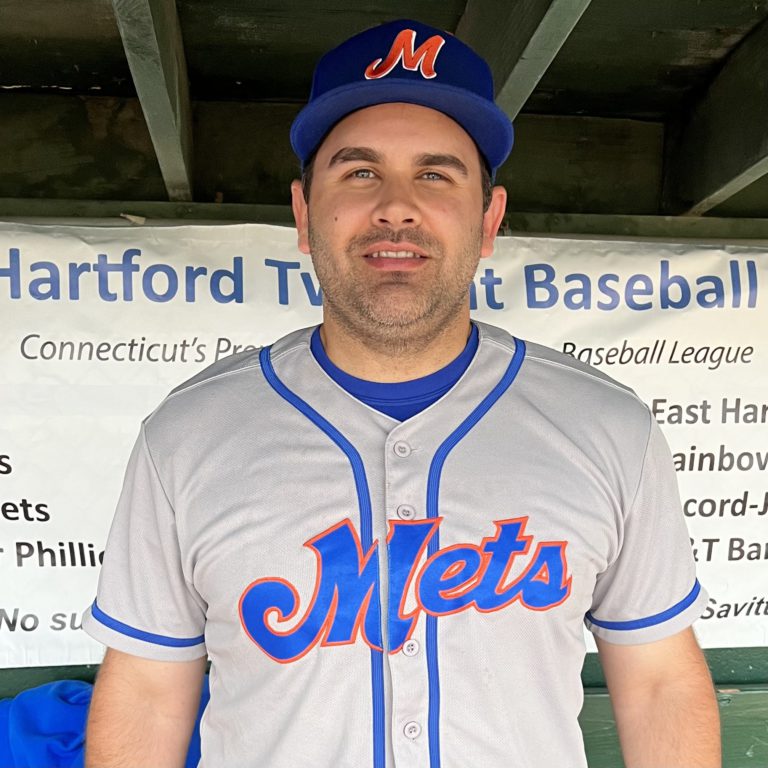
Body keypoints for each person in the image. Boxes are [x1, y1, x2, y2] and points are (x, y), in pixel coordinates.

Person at [83, 18, 720, 768]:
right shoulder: (185, 435)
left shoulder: (611, 428)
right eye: (358, 172)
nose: (395, 207)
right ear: (302, 213)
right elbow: (149, 691)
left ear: (488, 221)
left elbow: (658, 683)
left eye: (435, 174)